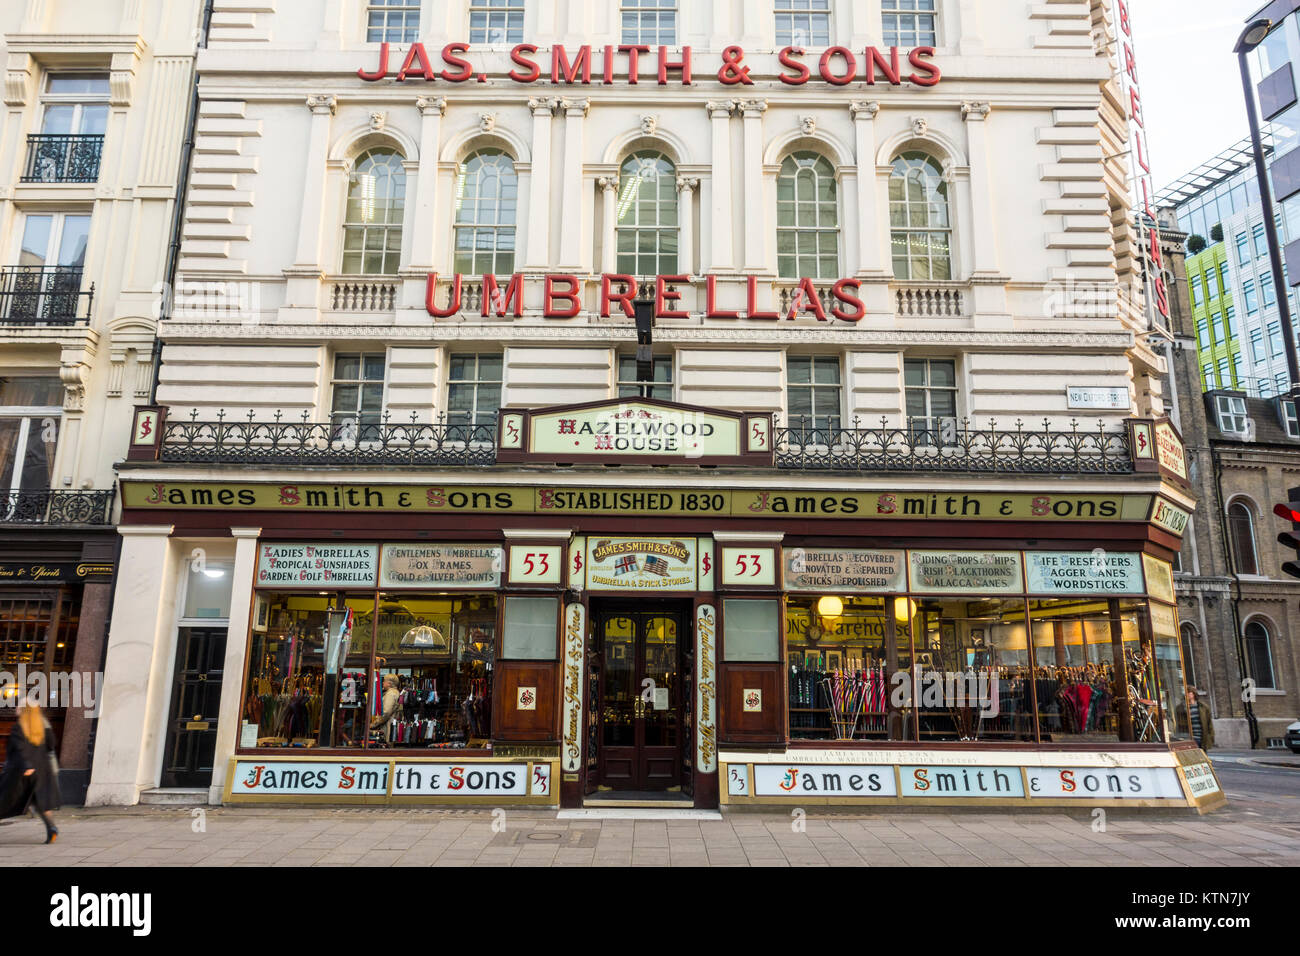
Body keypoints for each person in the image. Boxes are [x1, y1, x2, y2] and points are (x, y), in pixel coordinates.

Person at [0, 703, 60, 843]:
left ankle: (52, 828)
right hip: (41, 771)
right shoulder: (42, 727)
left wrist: (27, 766)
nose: (16, 709)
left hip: (22, 772)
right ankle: (52, 828)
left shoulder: (18, 728)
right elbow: (51, 744)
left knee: (4, 801)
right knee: (39, 802)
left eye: (19, 707)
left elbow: (19, 750)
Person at [369, 674, 401, 743]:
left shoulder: (390, 694)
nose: (383, 683)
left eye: (384, 681)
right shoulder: (394, 692)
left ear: (389, 683)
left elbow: (386, 712)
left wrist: (373, 724)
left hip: (386, 728)